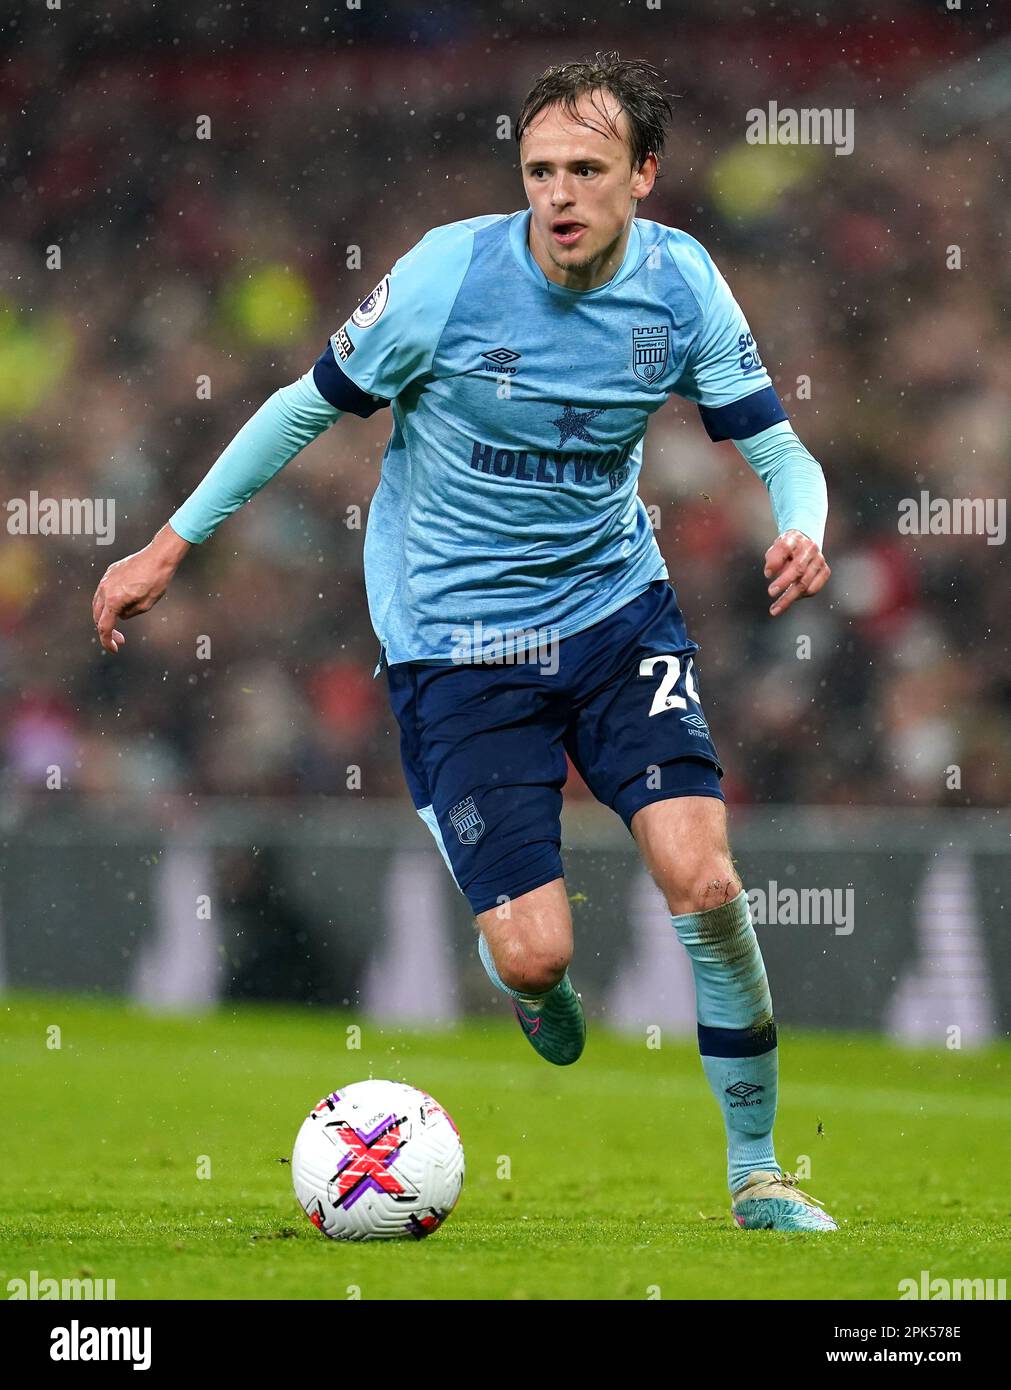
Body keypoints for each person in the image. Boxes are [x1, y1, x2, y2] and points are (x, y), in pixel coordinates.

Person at [92, 53, 836, 1231]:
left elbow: (780, 448)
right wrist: (169, 548)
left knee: (705, 879)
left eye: (587, 169)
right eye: (540, 169)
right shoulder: (449, 275)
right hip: (454, 641)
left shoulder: (684, 286)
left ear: (644, 173)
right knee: (538, 955)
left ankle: (758, 1171)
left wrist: (802, 525)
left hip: (611, 611)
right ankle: (524, 979)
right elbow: (303, 406)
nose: (560, 193)